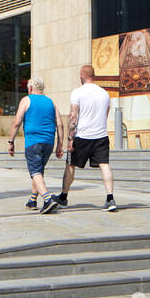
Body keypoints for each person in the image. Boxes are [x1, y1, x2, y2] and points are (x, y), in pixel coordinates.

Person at [59, 64, 117, 212]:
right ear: (94, 75)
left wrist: (70, 140)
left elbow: (73, 116)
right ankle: (110, 198)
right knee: (105, 165)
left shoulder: (77, 92)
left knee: (70, 166)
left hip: (83, 136)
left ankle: (63, 197)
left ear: (81, 76)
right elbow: (106, 113)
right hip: (101, 136)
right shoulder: (104, 93)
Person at [7, 77, 64, 213]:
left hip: (33, 142)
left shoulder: (27, 100)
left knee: (35, 171)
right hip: (49, 142)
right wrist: (60, 145)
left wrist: (11, 141)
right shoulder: (51, 102)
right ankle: (32, 200)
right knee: (39, 170)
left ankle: (47, 199)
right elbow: (60, 124)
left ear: (30, 88)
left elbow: (16, 123)